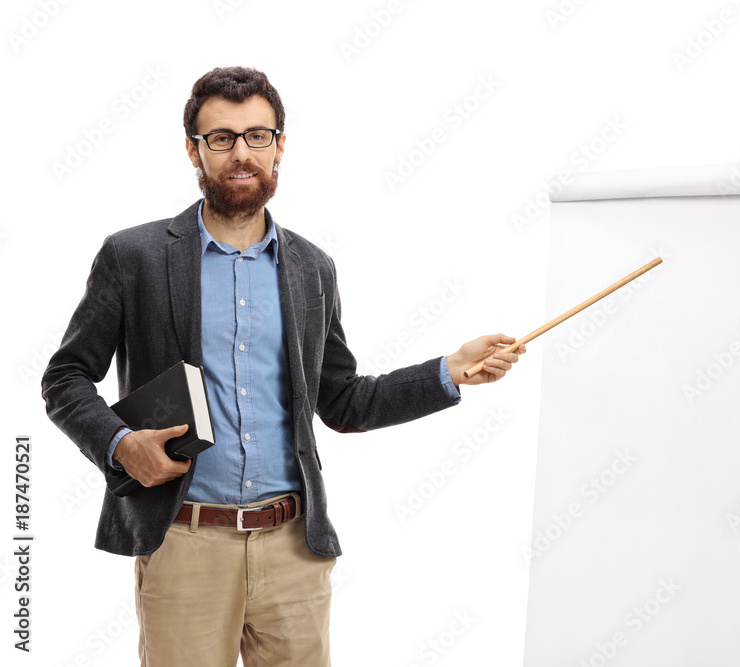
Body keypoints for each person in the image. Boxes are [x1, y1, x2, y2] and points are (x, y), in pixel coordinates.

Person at [40, 66, 525, 666]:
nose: (241, 153)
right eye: (221, 138)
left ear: (280, 146)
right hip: (185, 539)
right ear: (193, 149)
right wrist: (120, 444)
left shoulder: (311, 268)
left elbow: (343, 402)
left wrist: (449, 370)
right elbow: (64, 379)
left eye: (257, 136)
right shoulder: (133, 256)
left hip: (294, 546)